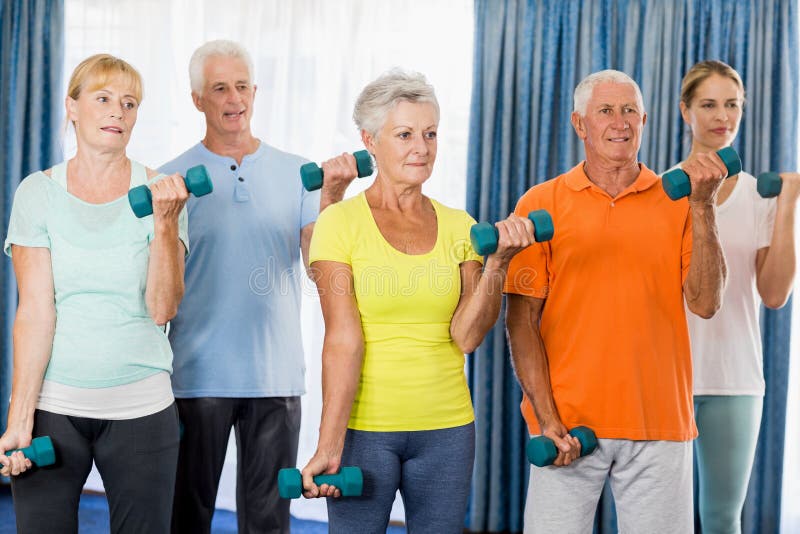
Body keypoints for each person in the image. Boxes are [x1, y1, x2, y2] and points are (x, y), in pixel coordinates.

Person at [300, 69, 535, 534]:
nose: (422, 148)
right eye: (404, 134)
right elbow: (342, 339)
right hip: (366, 430)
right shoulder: (339, 224)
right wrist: (330, 443)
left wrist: (499, 264)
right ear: (370, 139)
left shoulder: (460, 226)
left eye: (430, 134)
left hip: (447, 428)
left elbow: (467, 336)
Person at [504, 70, 730, 533]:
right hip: (565, 425)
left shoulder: (679, 202)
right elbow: (521, 322)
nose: (619, 121)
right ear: (579, 124)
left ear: (644, 121)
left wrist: (703, 206)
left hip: (660, 422)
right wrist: (546, 417)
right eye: (605, 110)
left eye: (629, 110)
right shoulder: (539, 202)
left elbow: (706, 303)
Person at [161, 40, 352, 534]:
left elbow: (319, 266)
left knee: (268, 520)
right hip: (196, 374)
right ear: (197, 98)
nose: (234, 98)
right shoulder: (169, 179)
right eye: (220, 87)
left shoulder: (297, 173)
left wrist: (331, 194)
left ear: (255, 92)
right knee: (187, 514)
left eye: (242, 86)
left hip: (276, 377)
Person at [0, 54, 189, 533]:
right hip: (56, 406)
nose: (117, 113)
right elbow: (35, 312)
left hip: (143, 406)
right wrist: (20, 419)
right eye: (103, 99)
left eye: (129, 104)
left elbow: (163, 308)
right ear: (72, 107)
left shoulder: (161, 193)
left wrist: (165, 225)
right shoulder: (36, 194)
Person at [672, 60, 797, 534]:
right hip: (668, 376)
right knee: (659, 518)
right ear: (686, 111)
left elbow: (774, 294)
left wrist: (786, 205)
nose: (722, 115)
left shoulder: (761, 197)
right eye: (708, 104)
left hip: (735, 378)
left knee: (723, 520)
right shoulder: (659, 192)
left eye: (732, 104)